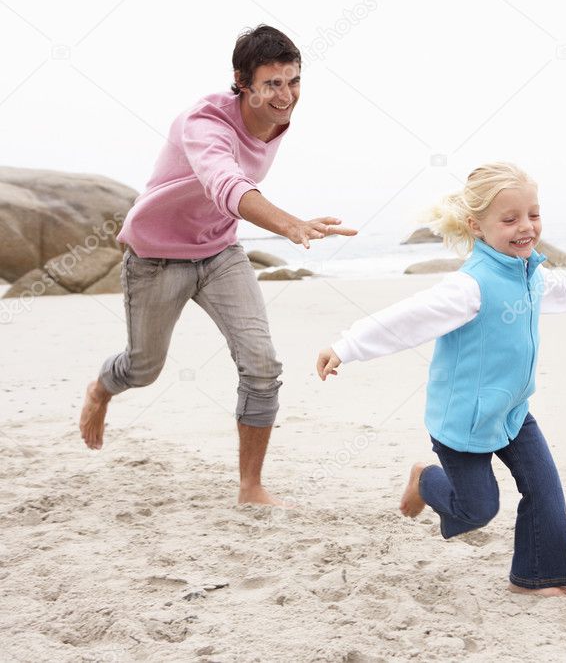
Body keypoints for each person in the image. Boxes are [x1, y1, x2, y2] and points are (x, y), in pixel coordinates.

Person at [315, 162, 566, 595]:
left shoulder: (530, 274)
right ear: (476, 226)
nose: (526, 228)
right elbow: (408, 319)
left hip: (513, 412)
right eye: (509, 219)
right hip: (463, 422)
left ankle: (538, 576)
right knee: (477, 510)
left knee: (546, 492)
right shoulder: (469, 287)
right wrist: (347, 347)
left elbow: (564, 287)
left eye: (533, 215)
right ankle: (426, 480)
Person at [78, 25, 357, 506]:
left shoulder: (277, 119)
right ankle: (101, 390)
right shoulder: (204, 122)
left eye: (293, 81)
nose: (286, 95)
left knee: (262, 365)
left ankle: (251, 487)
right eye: (272, 84)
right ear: (241, 82)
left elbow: (231, 193)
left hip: (220, 252)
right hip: (157, 257)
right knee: (143, 368)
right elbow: (223, 182)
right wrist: (289, 225)